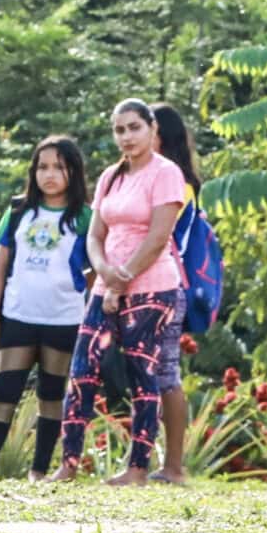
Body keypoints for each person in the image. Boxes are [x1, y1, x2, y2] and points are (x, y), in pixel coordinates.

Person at [53, 100, 189, 487]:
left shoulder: (166, 173)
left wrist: (121, 279)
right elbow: (95, 235)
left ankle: (137, 469)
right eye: (119, 129)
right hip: (106, 284)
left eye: (134, 127)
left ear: (152, 129)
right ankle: (68, 465)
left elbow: (158, 237)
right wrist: (104, 272)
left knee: (141, 374)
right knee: (82, 370)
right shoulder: (110, 177)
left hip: (151, 286)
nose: (126, 137)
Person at [0, 136, 91, 480]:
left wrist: (80, 288)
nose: (49, 174)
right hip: (18, 315)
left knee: (51, 396)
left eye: (59, 167)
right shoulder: (18, 211)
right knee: (4, 394)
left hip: (64, 318)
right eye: (42, 167)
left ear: (74, 172)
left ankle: (38, 472)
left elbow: (101, 262)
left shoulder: (86, 217)